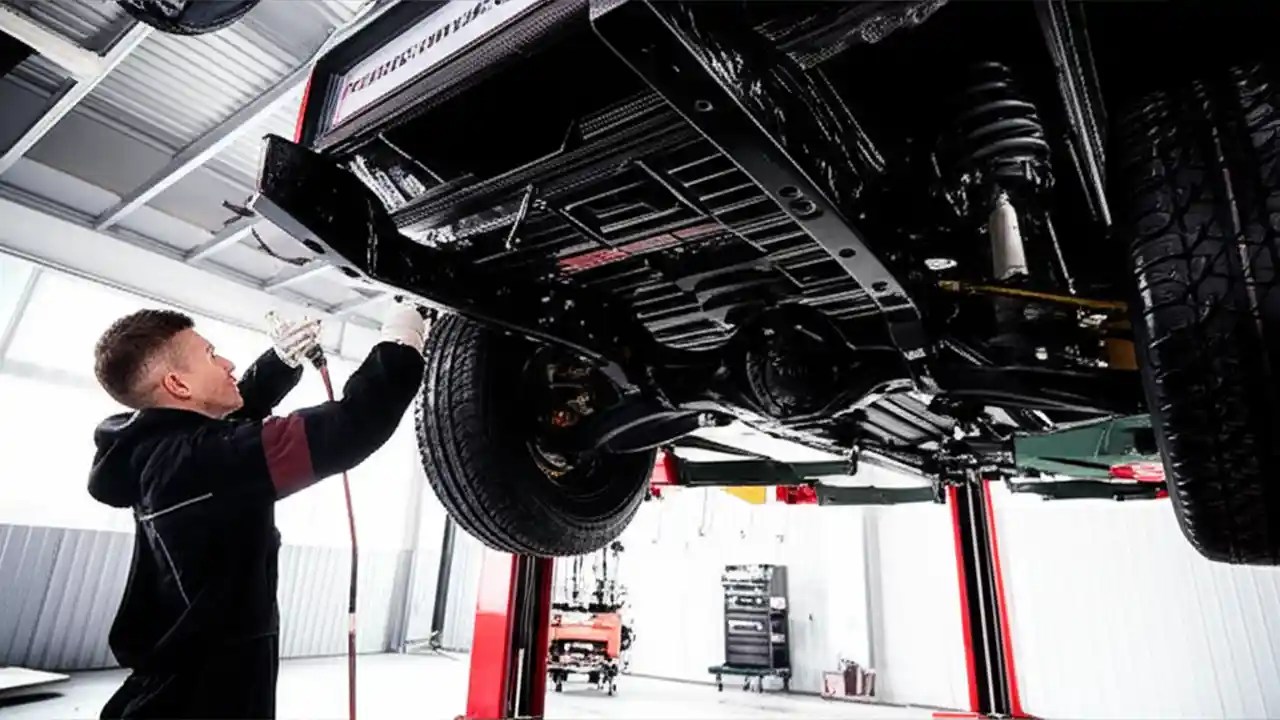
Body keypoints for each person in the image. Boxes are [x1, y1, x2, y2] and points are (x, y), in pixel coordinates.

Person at [86, 299, 430, 719]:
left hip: (178, 684)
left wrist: (277, 364)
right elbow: (352, 425)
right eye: (211, 356)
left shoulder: (154, 453)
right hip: (204, 700)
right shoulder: (203, 461)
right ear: (177, 385)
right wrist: (402, 340)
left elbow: (223, 431)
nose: (228, 362)